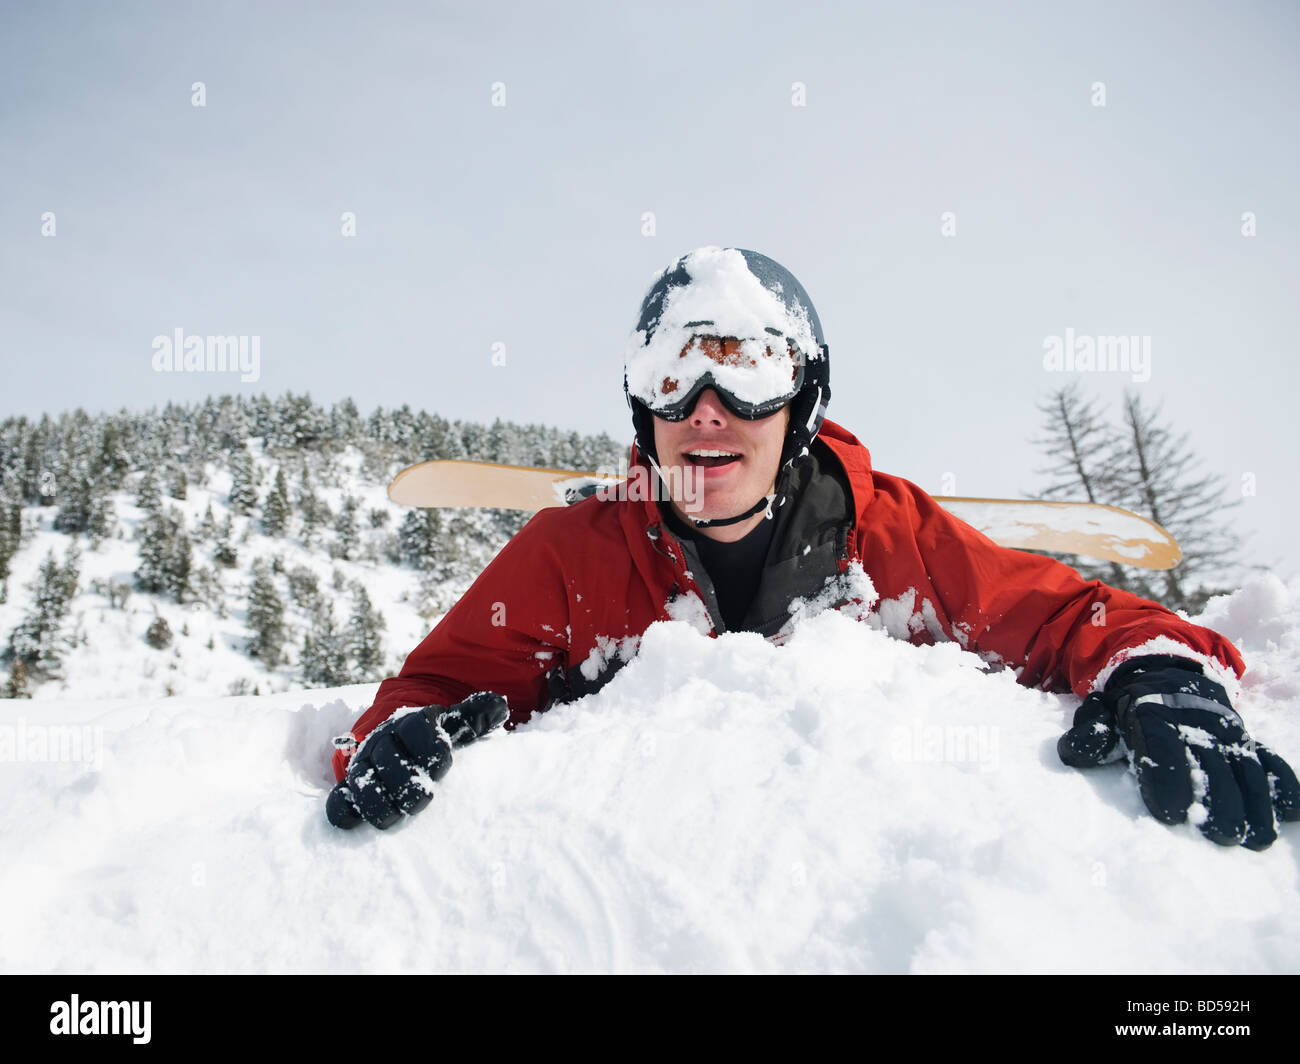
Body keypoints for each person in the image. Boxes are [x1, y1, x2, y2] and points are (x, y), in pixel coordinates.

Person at [326, 246, 1298, 849]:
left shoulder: (887, 532)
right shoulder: (568, 556)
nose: (705, 411)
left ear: (803, 402)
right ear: (640, 402)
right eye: (671, 375)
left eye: (748, 371)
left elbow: (1062, 618)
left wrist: (1158, 676)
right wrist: (399, 736)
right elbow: (434, 690)